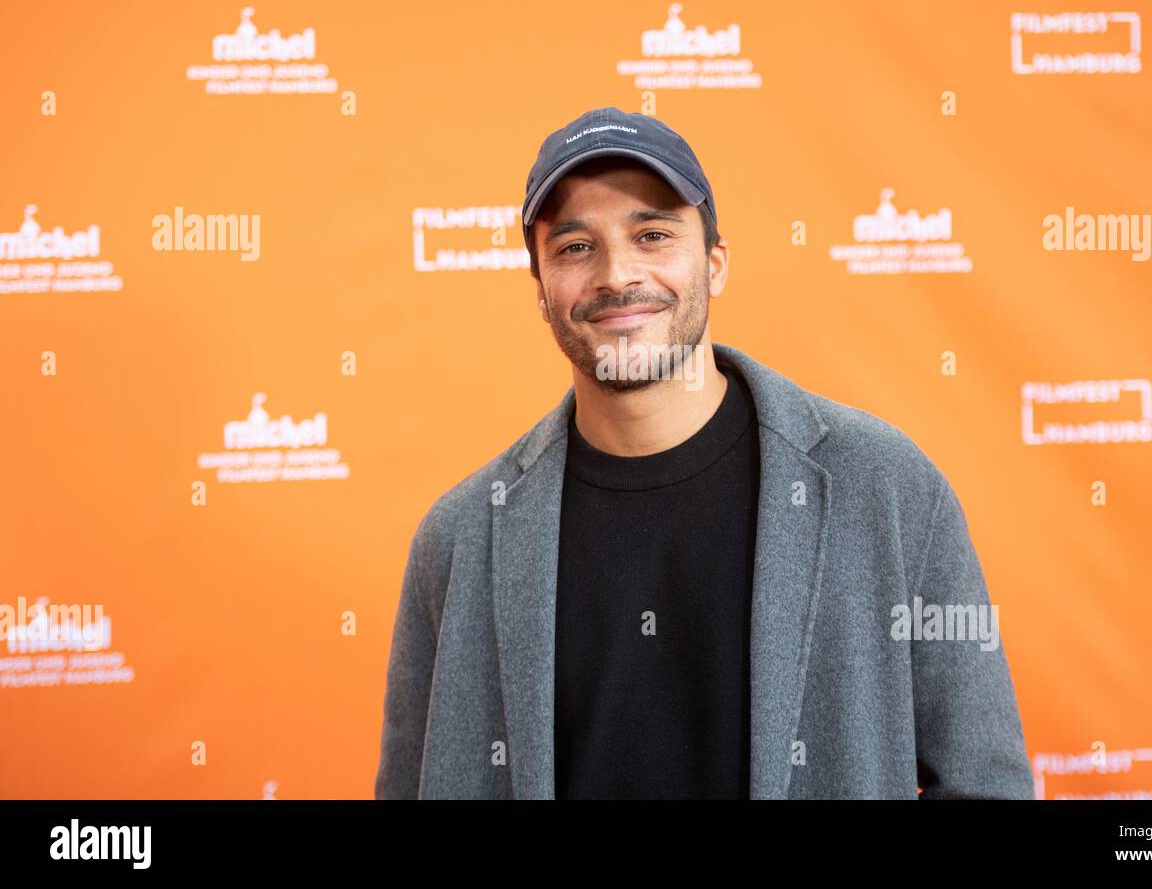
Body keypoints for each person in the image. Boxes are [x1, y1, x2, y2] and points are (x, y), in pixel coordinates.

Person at [375, 105, 1034, 799]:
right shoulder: (457, 540)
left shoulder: (888, 486)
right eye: (574, 247)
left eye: (652, 234)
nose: (615, 275)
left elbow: (983, 778)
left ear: (715, 264)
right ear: (540, 291)